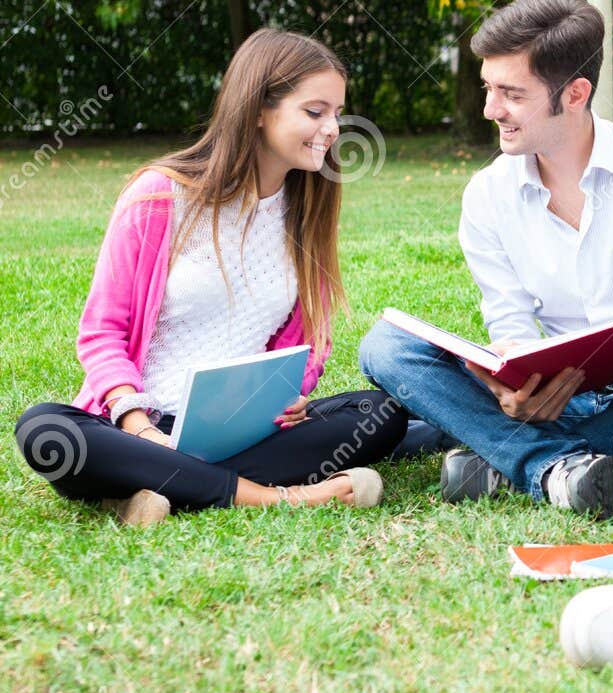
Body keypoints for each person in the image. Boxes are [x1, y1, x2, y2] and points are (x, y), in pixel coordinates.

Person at [358, 0, 613, 515]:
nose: (490, 110)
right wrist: (516, 393)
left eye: (511, 93)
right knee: (386, 346)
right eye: (488, 89)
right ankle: (553, 461)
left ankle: (505, 457)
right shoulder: (488, 194)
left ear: (574, 93)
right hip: (551, 397)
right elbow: (509, 321)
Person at [15, 29, 406, 527]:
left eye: (337, 113)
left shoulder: (307, 211)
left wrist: (294, 392)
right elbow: (102, 332)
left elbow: (309, 344)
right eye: (315, 112)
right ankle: (284, 497)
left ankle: (152, 489)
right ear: (259, 109)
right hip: (138, 426)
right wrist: (138, 425)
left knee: (381, 414)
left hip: (242, 429)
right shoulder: (158, 197)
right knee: (46, 429)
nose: (332, 128)